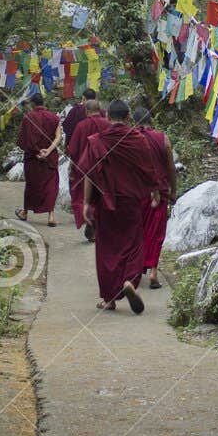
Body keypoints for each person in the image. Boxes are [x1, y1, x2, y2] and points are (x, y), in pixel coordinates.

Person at [80, 99, 165, 312]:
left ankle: (109, 299)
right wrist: (155, 192)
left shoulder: (97, 140)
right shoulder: (138, 140)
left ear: (107, 117)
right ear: (128, 118)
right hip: (131, 201)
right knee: (134, 244)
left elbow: (89, 173)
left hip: (106, 202)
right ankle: (129, 281)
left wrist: (86, 203)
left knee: (108, 248)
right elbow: (148, 169)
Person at [131, 106, 177, 289]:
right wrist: (174, 191)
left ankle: (136, 269)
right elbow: (171, 167)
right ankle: (153, 272)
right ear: (151, 121)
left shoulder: (130, 139)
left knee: (138, 231)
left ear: (133, 122)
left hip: (136, 192)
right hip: (160, 189)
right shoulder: (163, 138)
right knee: (156, 233)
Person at [15, 91, 63, 226]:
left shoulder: (28, 117)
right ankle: (51, 216)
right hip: (50, 157)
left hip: (33, 158)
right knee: (51, 186)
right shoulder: (54, 117)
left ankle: (24, 212)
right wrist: (48, 151)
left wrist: (36, 151)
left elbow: (24, 140)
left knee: (32, 185)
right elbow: (58, 137)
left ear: (33, 104)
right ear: (43, 103)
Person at [66, 98, 108, 241]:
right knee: (102, 196)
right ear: (100, 110)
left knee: (82, 196)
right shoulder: (108, 125)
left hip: (83, 168)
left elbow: (73, 149)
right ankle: (99, 225)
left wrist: (72, 167)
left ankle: (88, 220)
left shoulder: (81, 126)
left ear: (86, 111)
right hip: (104, 167)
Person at [62, 89, 96, 231]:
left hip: (79, 157)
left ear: (83, 98)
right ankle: (93, 215)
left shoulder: (76, 111)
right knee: (95, 187)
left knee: (77, 187)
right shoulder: (103, 114)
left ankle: (82, 215)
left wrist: (68, 150)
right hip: (98, 159)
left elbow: (67, 129)